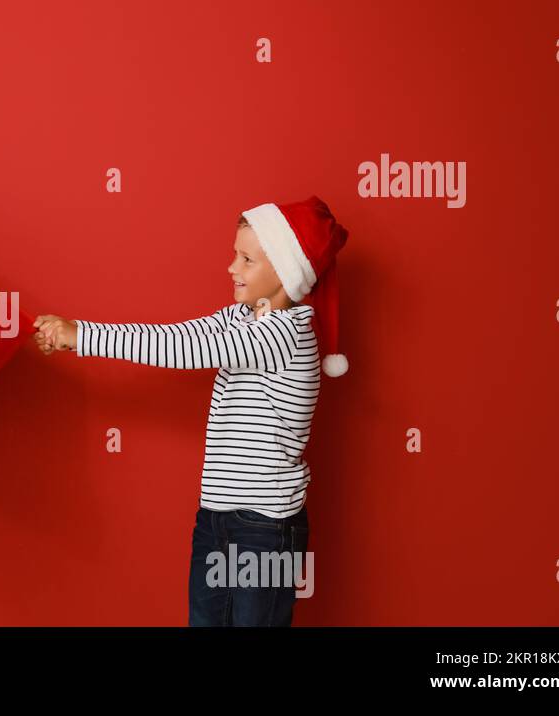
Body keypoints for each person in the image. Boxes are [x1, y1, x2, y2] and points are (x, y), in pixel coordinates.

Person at [32, 196, 349, 626]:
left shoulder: (285, 335)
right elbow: (179, 332)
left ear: (285, 272)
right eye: (235, 255)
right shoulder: (241, 319)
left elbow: (186, 349)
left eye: (246, 259)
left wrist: (83, 336)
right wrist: (77, 332)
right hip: (215, 519)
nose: (232, 268)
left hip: (265, 529)